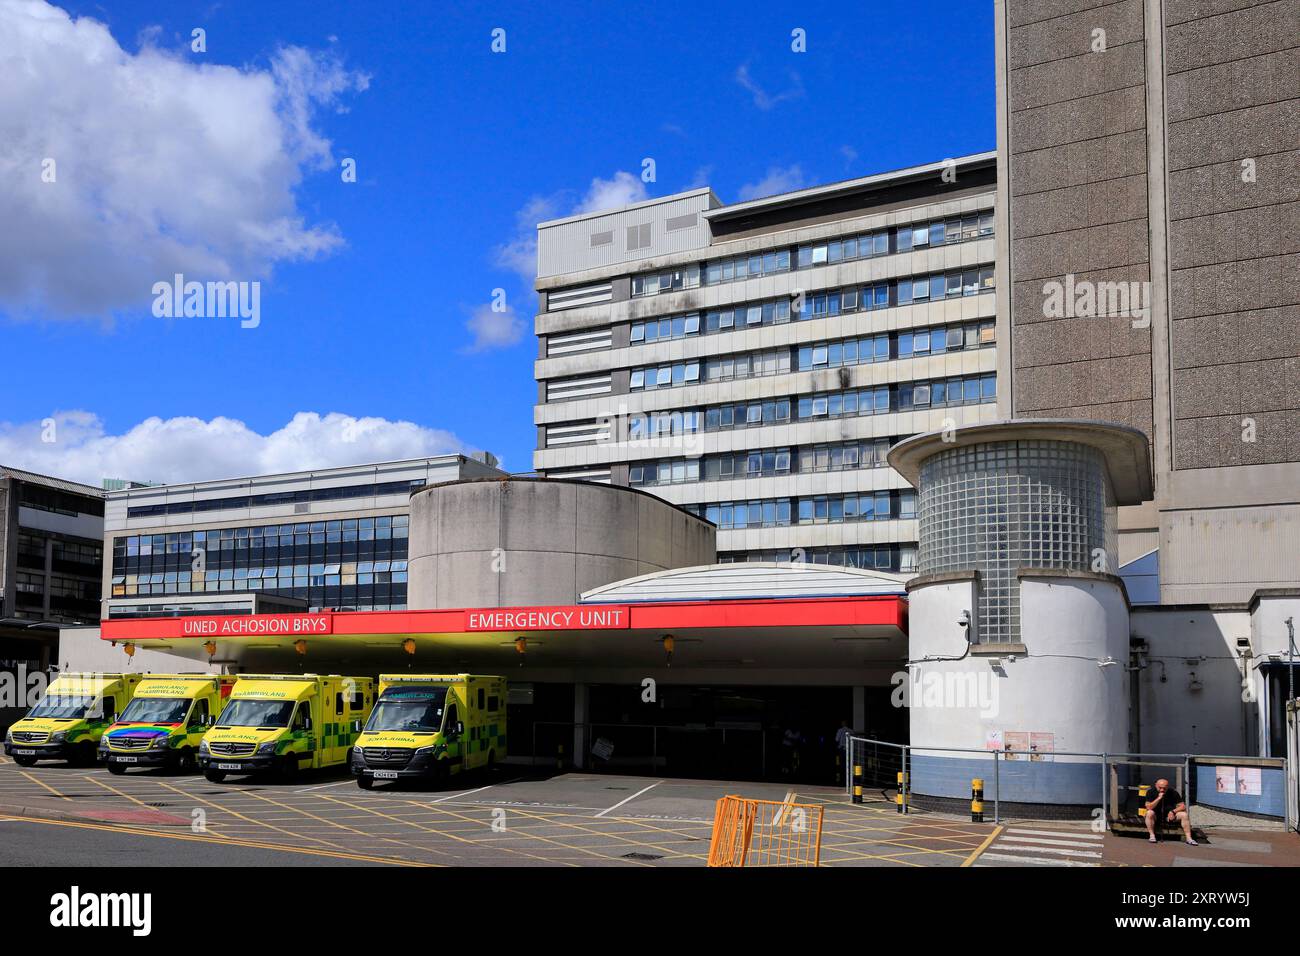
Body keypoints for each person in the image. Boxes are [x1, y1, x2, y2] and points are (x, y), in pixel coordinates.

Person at [1144, 778, 1197, 845]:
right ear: (1156, 785)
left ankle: (1189, 838)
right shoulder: (1150, 792)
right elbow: (1148, 807)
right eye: (1160, 788)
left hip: (1169, 816)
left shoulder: (1173, 792)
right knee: (1149, 813)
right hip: (1155, 815)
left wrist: (1173, 811)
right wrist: (1158, 798)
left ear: (1167, 787)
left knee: (1184, 815)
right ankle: (1152, 836)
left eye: (1164, 788)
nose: (1162, 790)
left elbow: (1182, 806)